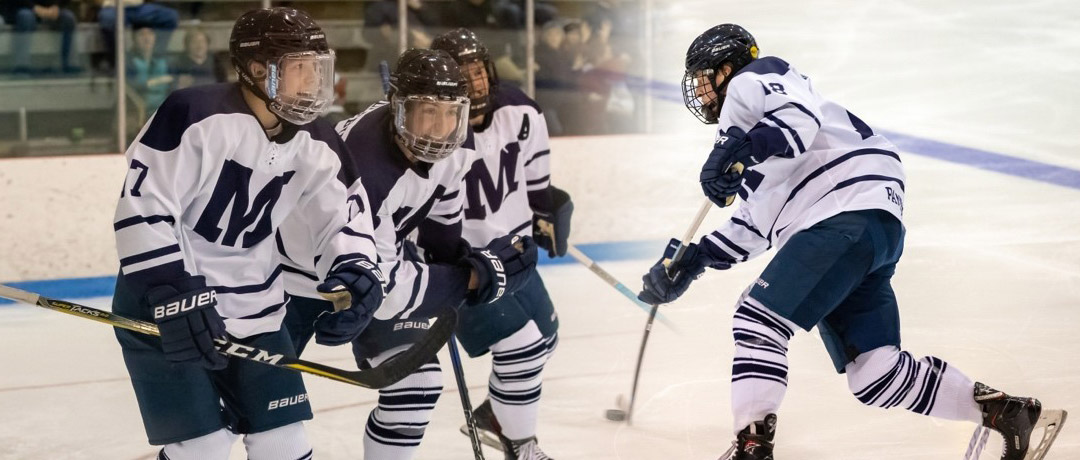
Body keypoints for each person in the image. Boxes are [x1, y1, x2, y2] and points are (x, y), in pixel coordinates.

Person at [638, 24, 1066, 460]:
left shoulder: (754, 81)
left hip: (842, 210)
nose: (701, 92)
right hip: (865, 227)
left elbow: (798, 121)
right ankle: (1007, 413)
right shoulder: (750, 138)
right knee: (875, 374)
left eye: (703, 78)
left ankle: (752, 449)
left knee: (757, 321)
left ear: (726, 69)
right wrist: (693, 260)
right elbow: (754, 225)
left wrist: (739, 149)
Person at [111, 8, 385, 459]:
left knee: (285, 443)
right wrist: (171, 289)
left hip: (258, 307)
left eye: (319, 70)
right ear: (259, 70)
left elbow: (343, 217)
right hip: (169, 306)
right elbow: (143, 205)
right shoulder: (194, 113)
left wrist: (354, 271)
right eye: (301, 70)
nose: (314, 84)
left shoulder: (318, 139)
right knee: (205, 450)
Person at [280, 48, 538, 460]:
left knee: (415, 384)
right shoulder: (365, 166)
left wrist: (460, 260)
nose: (440, 129)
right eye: (426, 113)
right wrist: (473, 278)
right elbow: (384, 289)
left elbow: (441, 225)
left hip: (362, 268)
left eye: (449, 113)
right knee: (264, 415)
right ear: (399, 109)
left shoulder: (458, 142)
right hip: (287, 279)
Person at [432, 28, 570, 460]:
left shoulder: (522, 112)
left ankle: (496, 416)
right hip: (466, 265)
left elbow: (536, 186)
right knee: (524, 350)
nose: (475, 83)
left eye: (478, 71)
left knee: (546, 338)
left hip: (514, 251)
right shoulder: (431, 122)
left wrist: (547, 213)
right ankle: (522, 447)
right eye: (463, 74)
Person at [5, 0, 78, 75]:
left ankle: (68, 64)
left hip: (50, 9)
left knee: (68, 18)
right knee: (26, 16)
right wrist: (34, 8)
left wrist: (56, 6)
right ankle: (21, 66)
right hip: (23, 7)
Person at [128, 26, 172, 114]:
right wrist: (158, 81)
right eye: (141, 34)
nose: (146, 38)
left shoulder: (165, 60)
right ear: (134, 39)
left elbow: (173, 82)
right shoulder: (128, 61)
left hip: (164, 110)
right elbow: (132, 87)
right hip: (138, 112)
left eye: (150, 34)